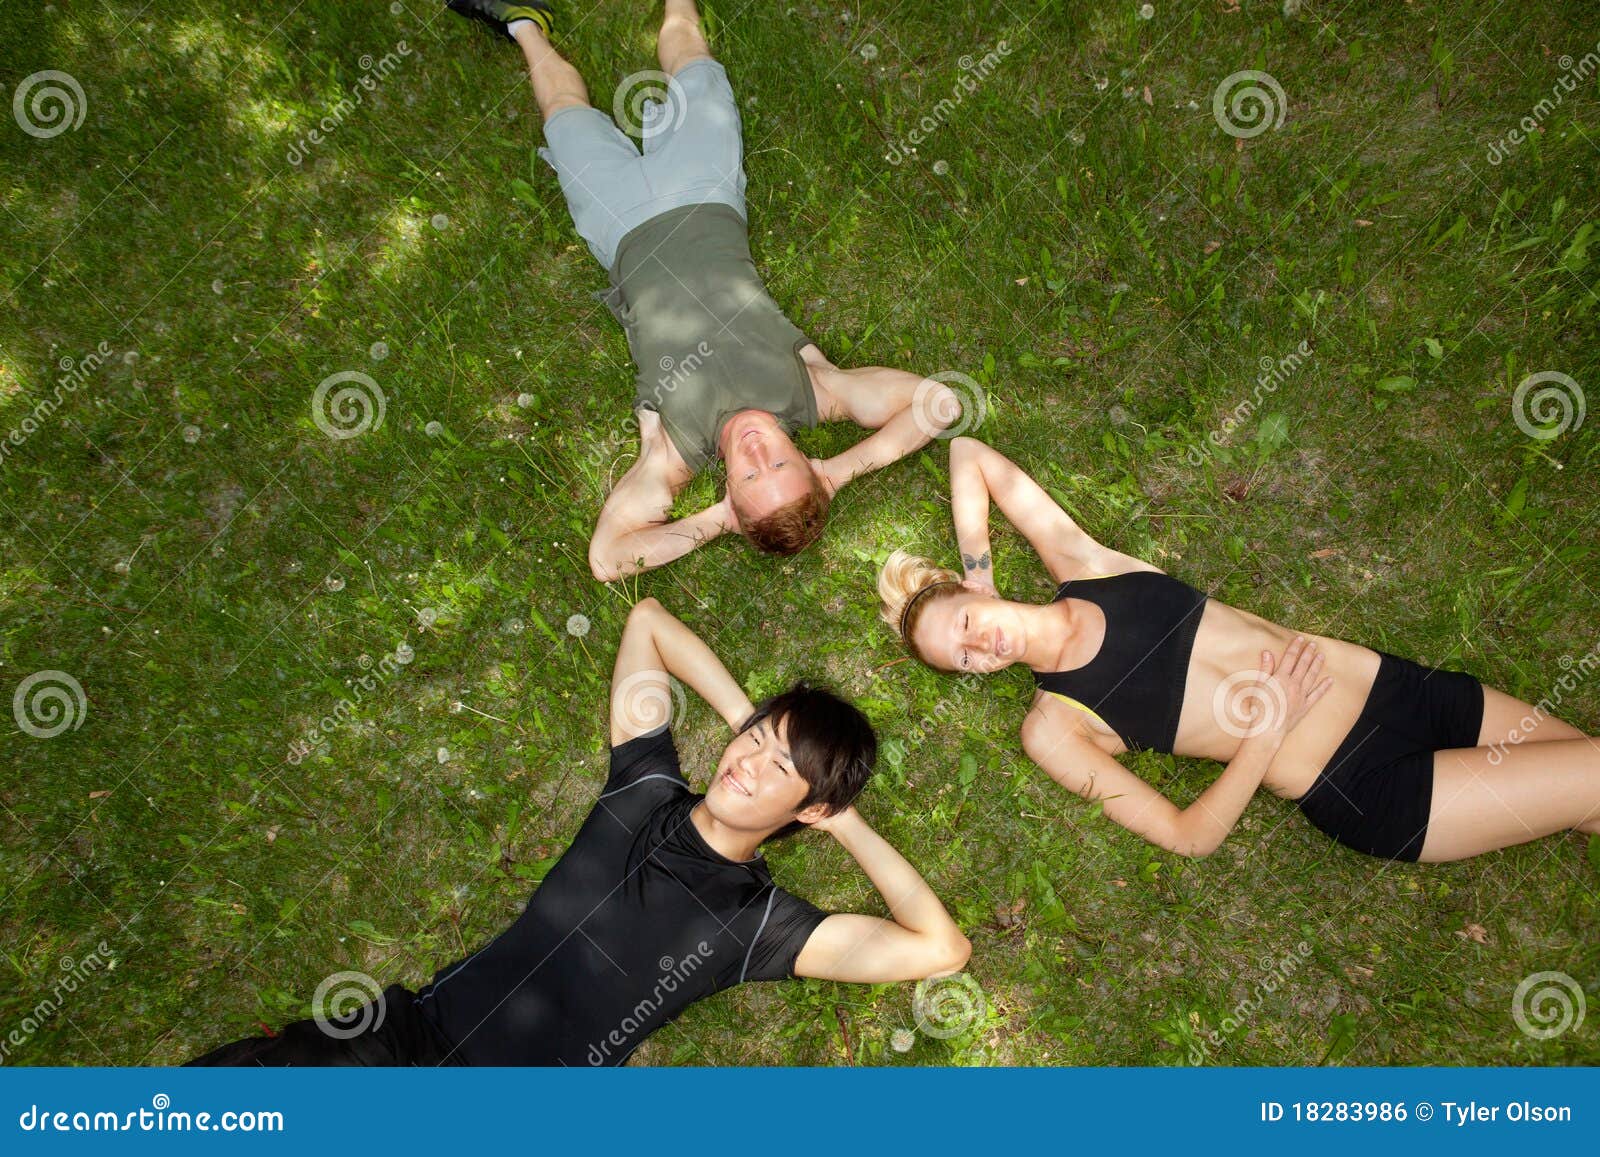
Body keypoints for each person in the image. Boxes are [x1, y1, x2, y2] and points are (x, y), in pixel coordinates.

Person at [189, 597, 968, 1066]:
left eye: (780, 769)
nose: (747, 764)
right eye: (752, 743)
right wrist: (757, 723)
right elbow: (649, 622)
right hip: (405, 1040)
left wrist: (844, 821)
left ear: (809, 810)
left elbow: (940, 948)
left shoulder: (760, 924)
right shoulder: (644, 788)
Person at [876, 436, 1600, 864]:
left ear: (971, 591)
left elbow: (967, 453)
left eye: (964, 622)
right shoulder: (1052, 725)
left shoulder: (1085, 565)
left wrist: (978, 570)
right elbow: (1188, 836)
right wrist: (1266, 732)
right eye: (963, 659)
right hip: (1369, 785)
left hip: (1407, 691)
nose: (978, 645)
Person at [447, 0, 962, 579]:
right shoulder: (814, 392)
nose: (757, 452)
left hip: (618, 223)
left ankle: (523, 24)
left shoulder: (675, 450)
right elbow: (939, 404)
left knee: (564, 111)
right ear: (805, 457)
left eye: (749, 476)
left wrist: (716, 522)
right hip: (705, 190)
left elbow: (607, 559)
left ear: (730, 493)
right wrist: (839, 474)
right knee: (690, 54)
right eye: (780, 464)